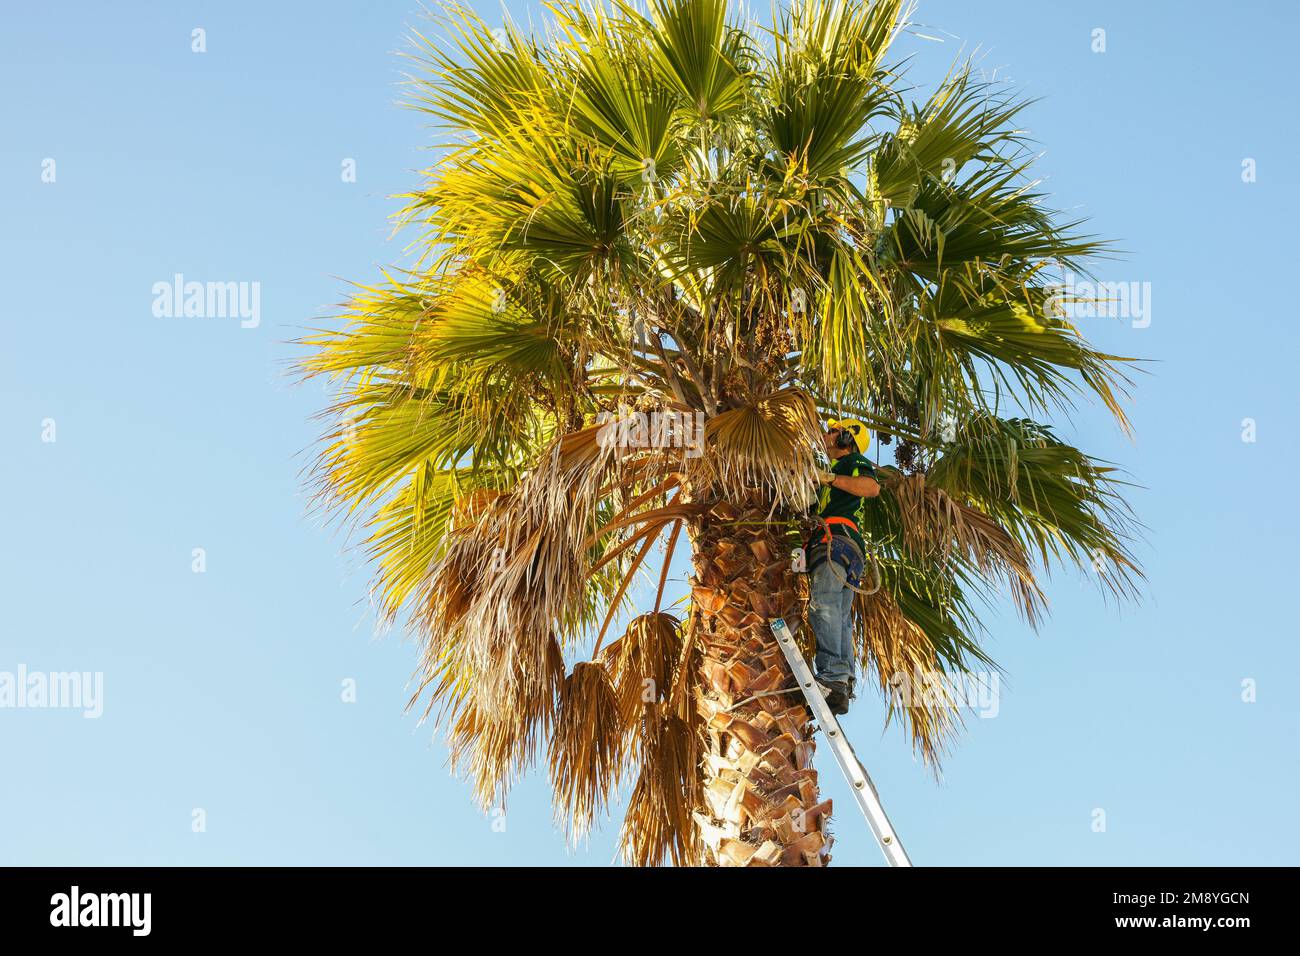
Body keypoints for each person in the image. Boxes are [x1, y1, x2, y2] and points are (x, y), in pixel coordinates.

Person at [807, 419, 880, 715]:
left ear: (847, 437)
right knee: (839, 614)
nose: (826, 435)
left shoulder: (852, 461)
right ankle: (843, 682)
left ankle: (832, 676)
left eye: (833, 431)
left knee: (823, 605)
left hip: (837, 541)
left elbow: (871, 487)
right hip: (841, 546)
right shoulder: (832, 475)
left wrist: (830, 479)